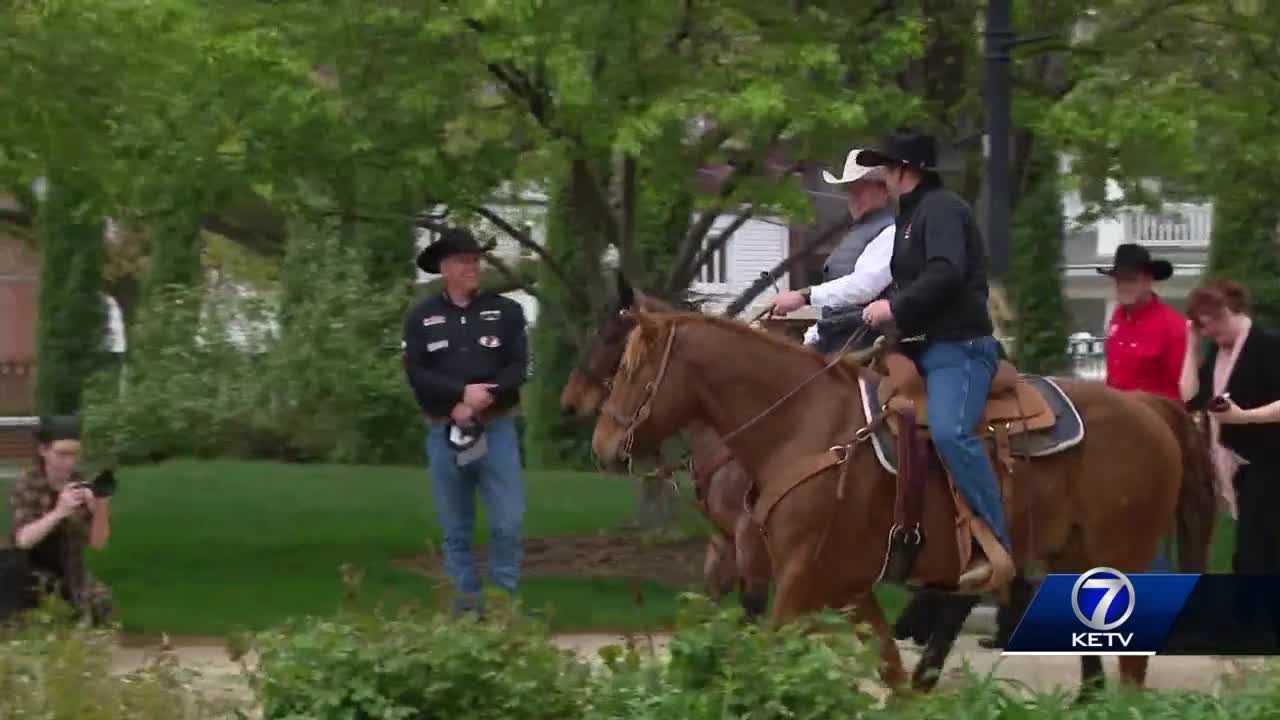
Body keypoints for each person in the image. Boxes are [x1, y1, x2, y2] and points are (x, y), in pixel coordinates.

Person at [856, 127, 1010, 590]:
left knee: (950, 431)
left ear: (907, 170)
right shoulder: (910, 217)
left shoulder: (941, 209)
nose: (880, 174)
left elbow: (946, 272)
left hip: (957, 348)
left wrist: (894, 307)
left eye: (885, 166)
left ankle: (995, 542)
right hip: (922, 348)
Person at [402, 226, 529, 616]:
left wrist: (482, 397)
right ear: (445, 267)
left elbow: (519, 366)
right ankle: (467, 611)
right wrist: (459, 396)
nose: (473, 267)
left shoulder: (506, 312)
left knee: (507, 522)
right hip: (444, 430)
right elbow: (418, 374)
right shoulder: (422, 318)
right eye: (464, 261)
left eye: (476, 260)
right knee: (456, 530)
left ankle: (503, 604)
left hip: (497, 428)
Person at [1180, 279, 1280, 574]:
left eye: (1212, 322)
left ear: (1232, 310)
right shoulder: (1218, 354)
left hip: (1269, 463)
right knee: (1253, 551)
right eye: (1202, 325)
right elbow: (1189, 397)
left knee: (1256, 553)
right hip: (1238, 467)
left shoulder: (1268, 346)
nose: (1209, 330)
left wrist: (1243, 417)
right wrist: (1192, 345)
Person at [769, 148, 896, 353]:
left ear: (885, 190)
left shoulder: (891, 232)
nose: (853, 195)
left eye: (861, 187)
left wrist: (803, 296)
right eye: (850, 188)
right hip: (838, 334)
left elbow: (863, 287)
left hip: (865, 338)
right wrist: (815, 333)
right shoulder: (858, 232)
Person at [7, 415, 113, 626]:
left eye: (75, 454)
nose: (69, 461)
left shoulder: (82, 483)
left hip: (69, 570)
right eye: (62, 454)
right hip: (27, 567)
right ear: (43, 450)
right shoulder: (29, 484)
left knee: (101, 602)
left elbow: (98, 543)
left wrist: (99, 508)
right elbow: (23, 540)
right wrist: (59, 512)